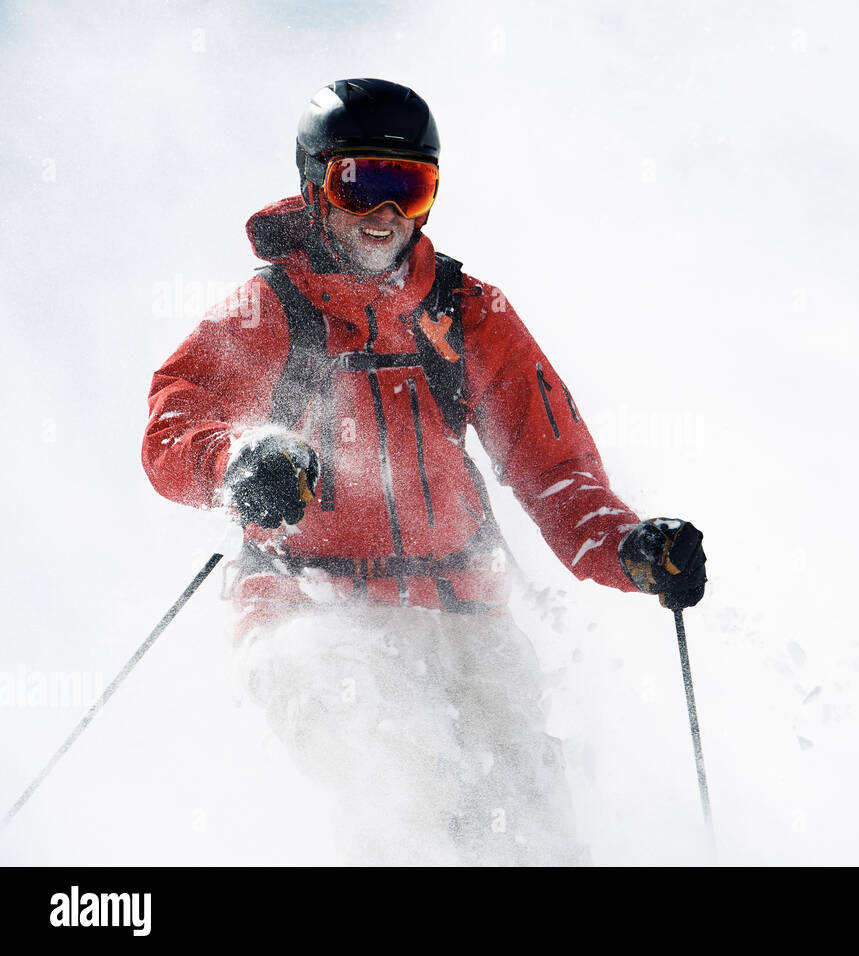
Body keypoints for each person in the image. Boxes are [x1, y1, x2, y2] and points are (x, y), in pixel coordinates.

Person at [141, 78, 706, 864]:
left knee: (529, 821)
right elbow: (173, 426)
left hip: (460, 608)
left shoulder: (466, 312)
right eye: (361, 181)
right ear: (314, 187)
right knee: (400, 767)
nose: (383, 214)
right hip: (309, 605)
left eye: (407, 187)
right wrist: (238, 462)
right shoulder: (267, 313)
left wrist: (629, 547)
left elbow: (553, 467)